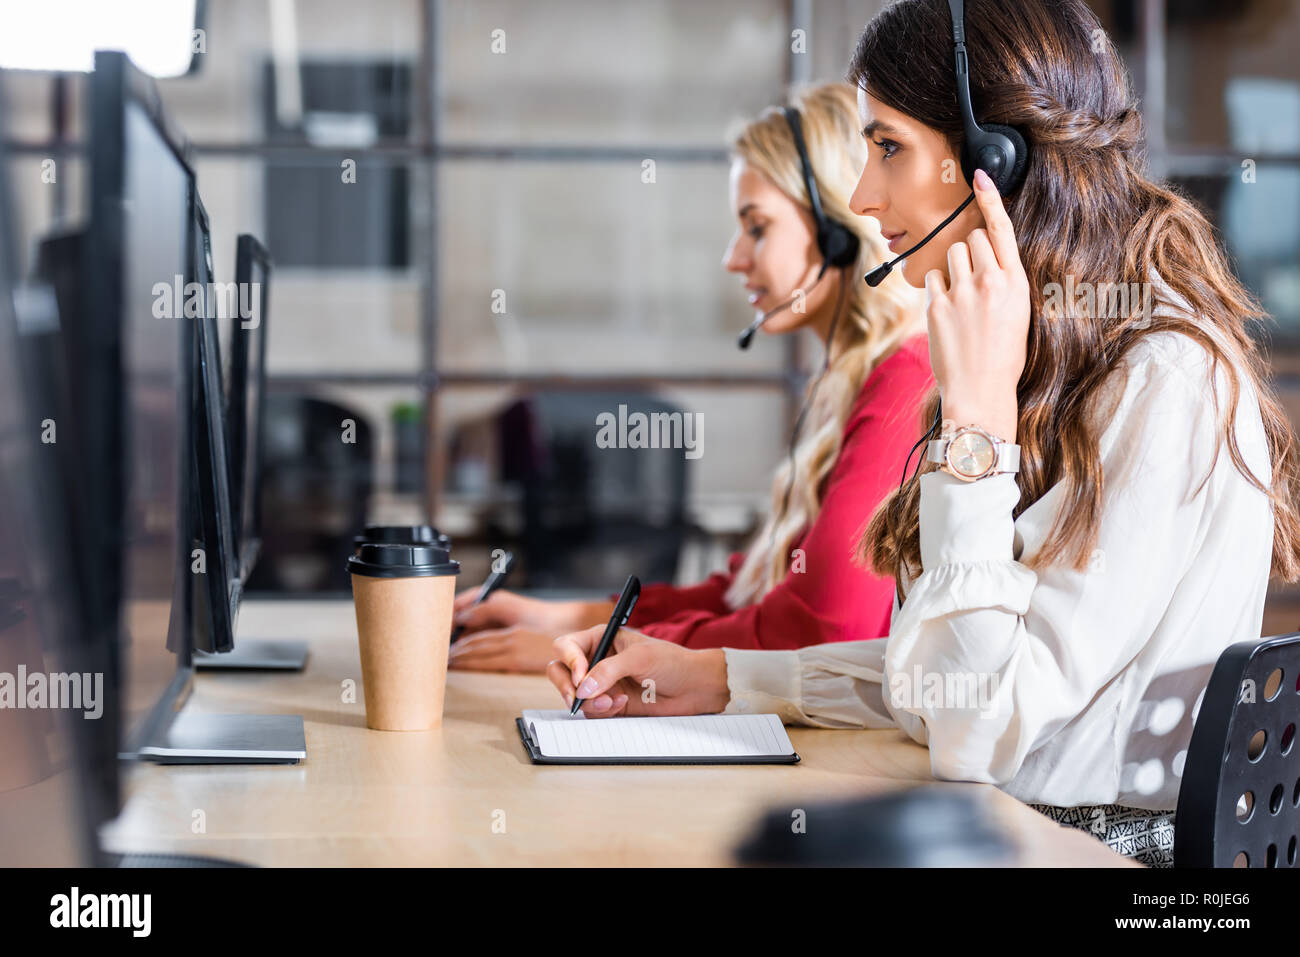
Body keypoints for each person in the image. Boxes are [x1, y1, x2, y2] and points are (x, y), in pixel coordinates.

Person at [545, 0, 1300, 868]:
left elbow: (979, 727)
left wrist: (974, 426)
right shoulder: (1036, 352)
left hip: (1104, 858)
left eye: (889, 148)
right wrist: (724, 679)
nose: (865, 198)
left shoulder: (1164, 382)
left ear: (996, 160)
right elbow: (946, 678)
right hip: (1023, 829)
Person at [450, 83, 929, 673]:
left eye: (757, 228)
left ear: (836, 233)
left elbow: (821, 626)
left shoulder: (907, 378)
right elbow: (742, 597)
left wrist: (608, 647)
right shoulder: (849, 380)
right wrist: (568, 621)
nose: (733, 257)